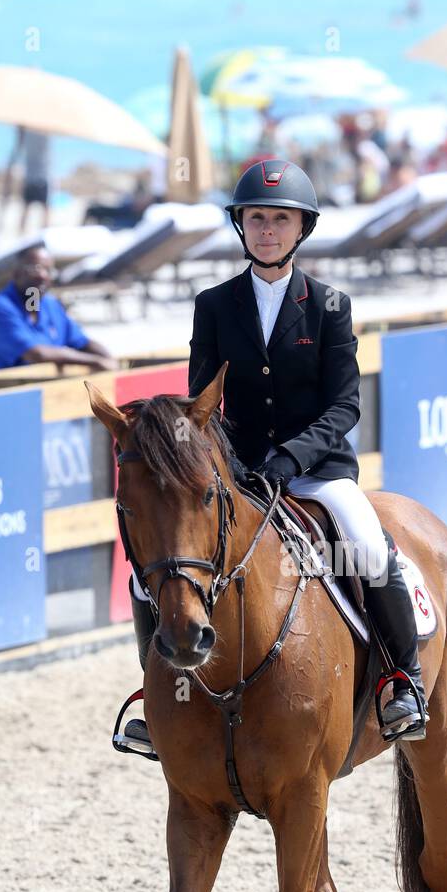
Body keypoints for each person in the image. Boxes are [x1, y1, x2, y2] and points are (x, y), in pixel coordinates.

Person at [123, 157, 429, 754]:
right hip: (237, 476)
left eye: (280, 220)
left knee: (365, 544)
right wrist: (229, 465)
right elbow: (201, 403)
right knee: (149, 578)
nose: (268, 230)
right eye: (257, 218)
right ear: (242, 226)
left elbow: (344, 406)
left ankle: (403, 681)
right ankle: (154, 697)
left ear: (300, 229)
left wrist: (290, 458)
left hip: (316, 475)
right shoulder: (214, 305)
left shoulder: (330, 306)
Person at [0, 245, 117, 373]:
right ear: (16, 274)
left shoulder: (48, 304)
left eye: (48, 270)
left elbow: (82, 342)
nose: (42, 275)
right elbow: (36, 354)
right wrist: (95, 361)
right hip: (4, 393)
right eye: (34, 269)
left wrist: (108, 358)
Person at [17, 127, 52, 233]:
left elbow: (20, 144)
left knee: (27, 208)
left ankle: (22, 233)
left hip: (31, 175)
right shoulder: (45, 129)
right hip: (41, 175)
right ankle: (44, 233)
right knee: (45, 208)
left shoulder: (26, 130)